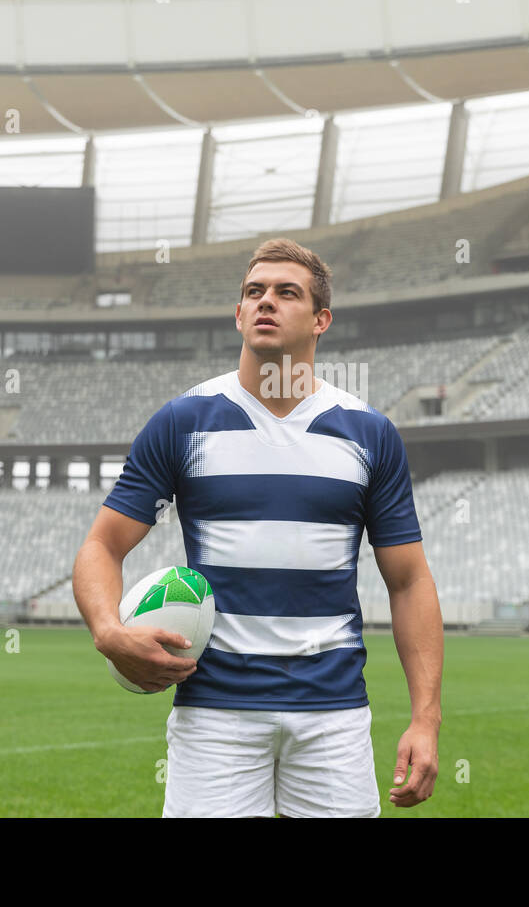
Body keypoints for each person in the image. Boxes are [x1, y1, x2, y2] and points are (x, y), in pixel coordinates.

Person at [73, 238, 442, 817]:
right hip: (214, 715)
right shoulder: (182, 423)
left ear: (321, 320)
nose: (266, 301)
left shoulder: (369, 433)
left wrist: (425, 718)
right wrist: (107, 631)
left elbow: (409, 582)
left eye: (286, 292)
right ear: (239, 314)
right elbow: (102, 544)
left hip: (333, 716)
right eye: (254, 292)